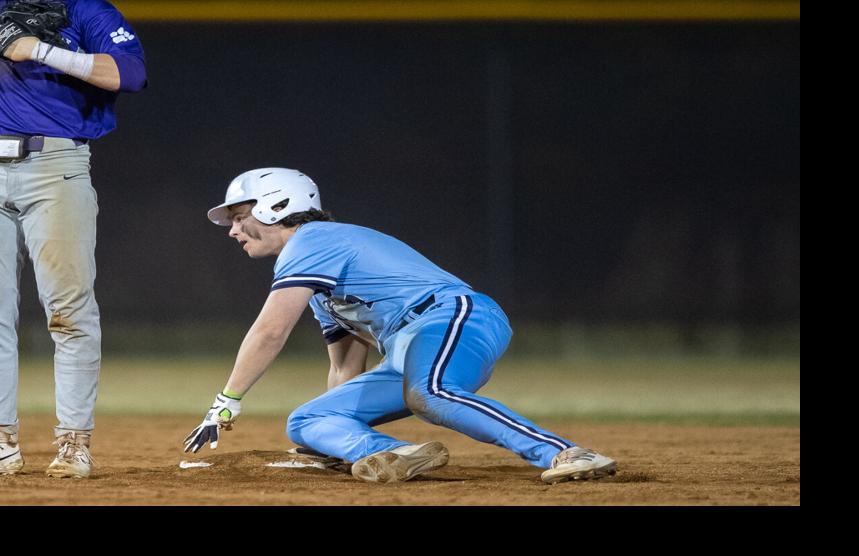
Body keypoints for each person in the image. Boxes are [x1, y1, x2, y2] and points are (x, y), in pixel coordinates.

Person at [181, 168, 618, 485]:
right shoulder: (318, 282)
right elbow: (345, 366)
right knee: (308, 419)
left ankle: (566, 452)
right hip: (410, 343)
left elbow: (269, 332)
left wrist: (226, 403)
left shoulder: (313, 242)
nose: (234, 230)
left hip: (454, 316)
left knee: (429, 394)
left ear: (278, 207)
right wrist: (335, 436)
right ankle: (392, 453)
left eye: (241, 216)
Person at [0, 1, 147, 478]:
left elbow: (129, 73)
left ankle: (74, 444)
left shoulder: (86, 10)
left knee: (68, 309)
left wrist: (43, 50)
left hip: (54, 167)